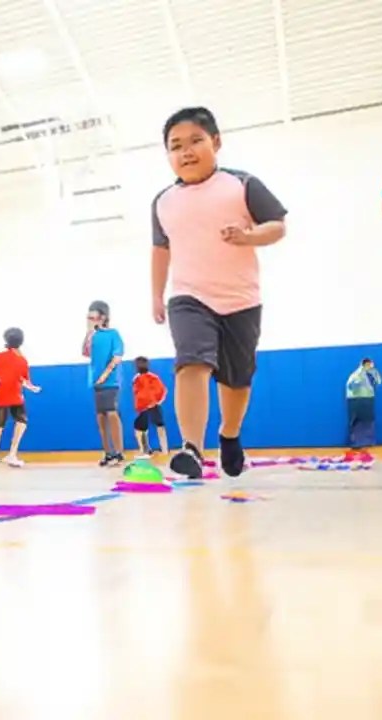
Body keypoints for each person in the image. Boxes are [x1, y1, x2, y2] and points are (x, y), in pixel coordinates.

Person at [151, 107, 288, 479]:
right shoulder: (163, 201)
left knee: (236, 380)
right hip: (188, 296)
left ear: (216, 142)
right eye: (175, 146)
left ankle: (230, 435)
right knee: (190, 362)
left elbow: (277, 226)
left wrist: (249, 236)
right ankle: (191, 448)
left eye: (195, 141)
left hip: (241, 300)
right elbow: (161, 250)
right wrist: (156, 295)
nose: (186, 151)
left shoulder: (241, 184)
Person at [0, 327, 40, 468]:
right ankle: (8, 454)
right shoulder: (21, 360)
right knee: (19, 423)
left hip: (5, 395)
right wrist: (31, 387)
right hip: (10, 395)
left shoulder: (0, 357)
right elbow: (24, 380)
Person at [83, 301, 125, 466]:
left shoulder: (114, 334)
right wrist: (88, 333)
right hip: (96, 382)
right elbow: (85, 352)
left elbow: (117, 356)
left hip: (111, 381)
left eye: (95, 315)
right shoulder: (93, 335)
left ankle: (119, 452)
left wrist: (105, 374)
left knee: (111, 412)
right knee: (100, 416)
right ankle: (108, 452)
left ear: (103, 316)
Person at [131, 356, 169, 459]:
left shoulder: (152, 378)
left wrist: (156, 402)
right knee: (142, 428)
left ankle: (163, 449)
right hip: (144, 408)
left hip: (152, 406)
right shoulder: (137, 379)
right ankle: (145, 450)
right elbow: (137, 394)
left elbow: (162, 390)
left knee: (159, 426)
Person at [346, 358, 382, 449]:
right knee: (356, 422)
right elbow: (351, 386)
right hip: (356, 399)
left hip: (368, 398)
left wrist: (375, 372)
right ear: (364, 364)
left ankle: (368, 442)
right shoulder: (356, 374)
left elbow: (379, 382)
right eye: (368, 365)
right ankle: (355, 443)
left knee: (368, 421)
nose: (370, 366)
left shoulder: (372, 373)